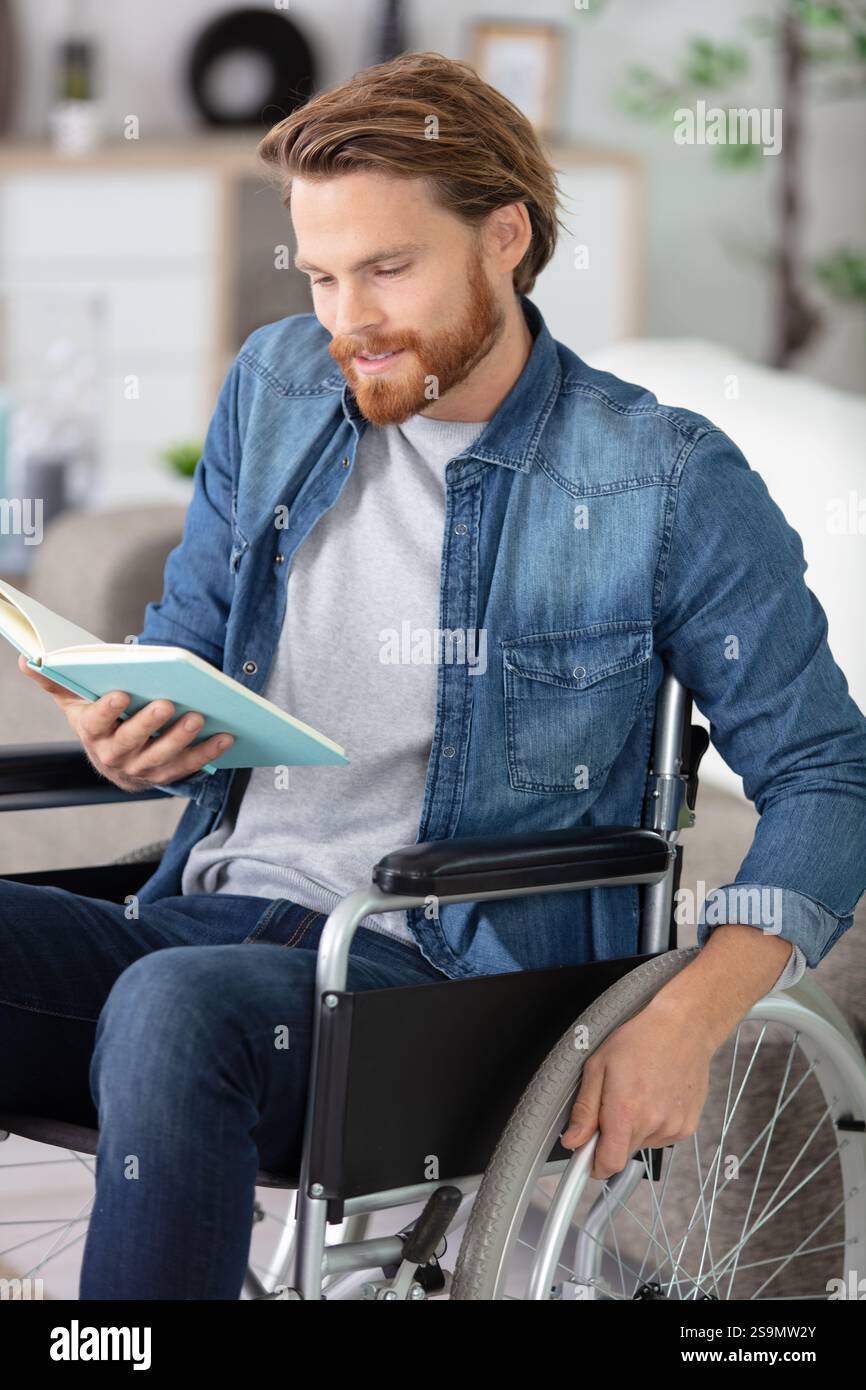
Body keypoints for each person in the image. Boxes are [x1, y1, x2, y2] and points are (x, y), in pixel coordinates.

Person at [7, 51, 866, 1300]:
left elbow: (826, 776)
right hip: (210, 914)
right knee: (164, 989)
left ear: (503, 238)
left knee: (175, 1012)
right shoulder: (277, 385)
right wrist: (130, 720)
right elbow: (185, 638)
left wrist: (686, 1013)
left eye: (386, 268)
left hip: (445, 982)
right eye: (318, 274)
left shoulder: (663, 480)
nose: (345, 318)